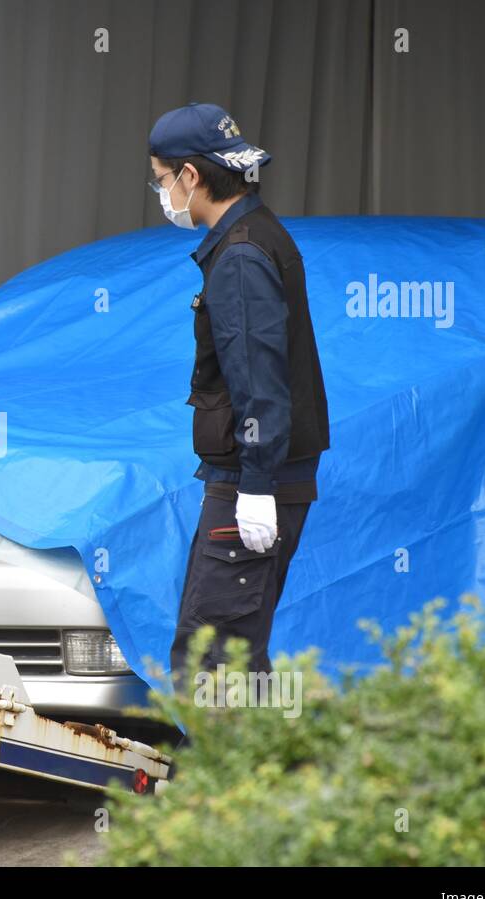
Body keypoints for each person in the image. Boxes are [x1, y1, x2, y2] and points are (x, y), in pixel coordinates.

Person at [147, 103, 330, 679]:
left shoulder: (242, 255)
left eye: (161, 180)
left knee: (212, 665)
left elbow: (260, 379)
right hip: (258, 477)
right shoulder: (256, 235)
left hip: (253, 483)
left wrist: (254, 486)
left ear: (191, 176)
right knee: (236, 658)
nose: (163, 194)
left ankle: (237, 771)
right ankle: (263, 768)